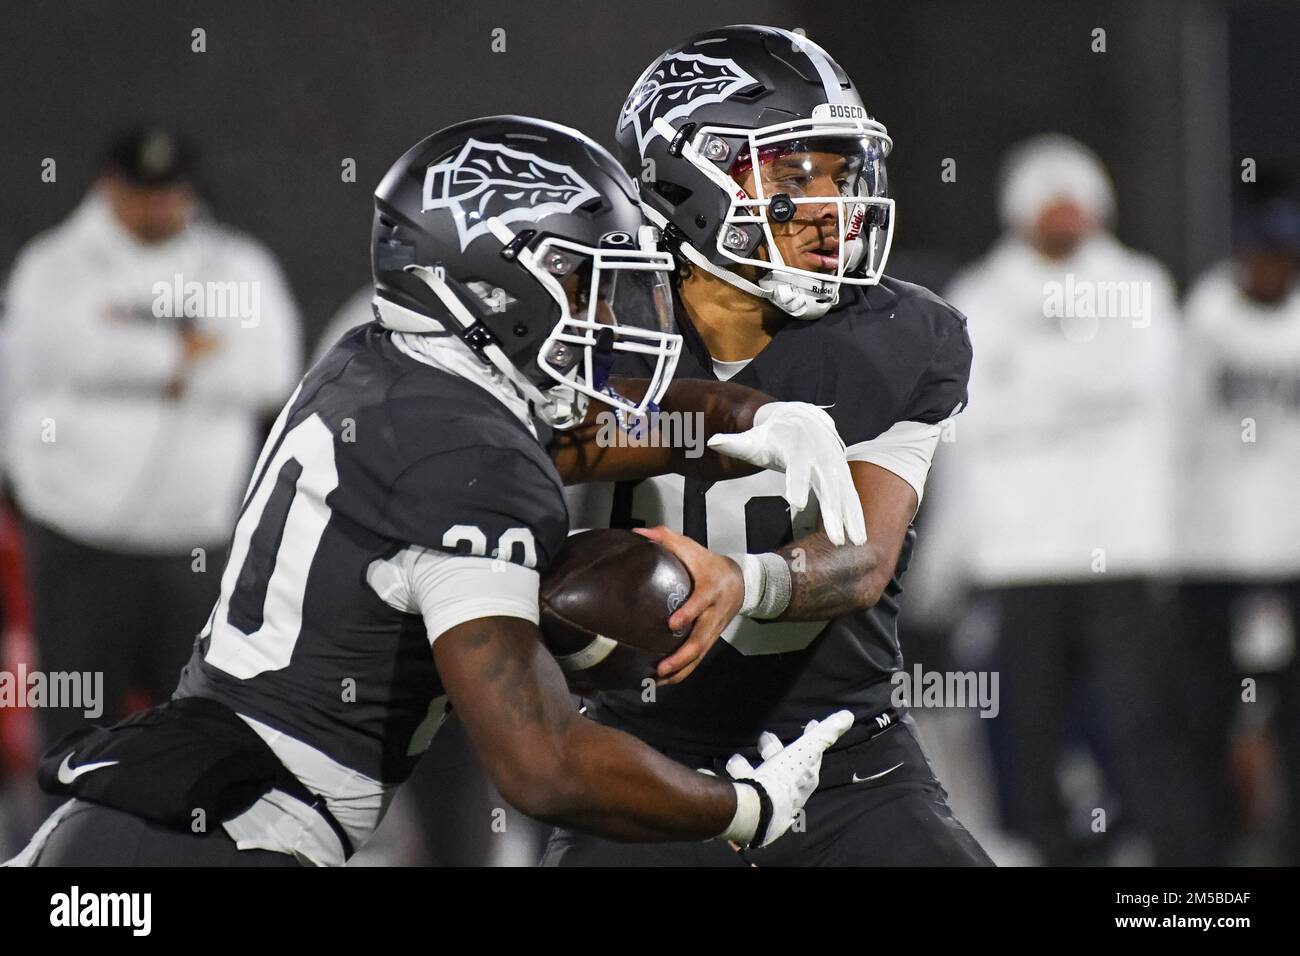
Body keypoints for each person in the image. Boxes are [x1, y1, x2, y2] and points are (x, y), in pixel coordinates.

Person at [6, 116, 864, 867]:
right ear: (493, 282)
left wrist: (749, 414)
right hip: (230, 834)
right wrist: (744, 807)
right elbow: (544, 768)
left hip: (161, 802)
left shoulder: (376, 360)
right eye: (581, 277)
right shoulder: (469, 458)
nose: (612, 311)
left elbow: (576, 438)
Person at [543, 25, 991, 866]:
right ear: (689, 179)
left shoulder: (899, 335)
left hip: (845, 763)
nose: (834, 209)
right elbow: (540, 450)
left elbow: (863, 560)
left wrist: (745, 581)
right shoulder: (599, 322)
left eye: (841, 175)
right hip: (647, 760)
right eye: (795, 175)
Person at [2, 128, 302, 749]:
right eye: (142, 193)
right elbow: (55, 353)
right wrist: (179, 360)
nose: (157, 208)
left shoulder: (235, 265)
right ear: (109, 187)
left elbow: (270, 371)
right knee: (76, 740)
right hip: (77, 544)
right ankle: (69, 848)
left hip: (197, 550)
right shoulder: (53, 267)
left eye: (170, 193)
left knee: (196, 738)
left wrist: (115, 362)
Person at [942, 134, 1181, 864]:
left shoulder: (1140, 284)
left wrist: (1030, 382)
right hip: (1019, 550)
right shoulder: (978, 296)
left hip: (1124, 543)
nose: (1063, 221)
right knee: (1025, 719)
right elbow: (971, 414)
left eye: (1074, 208)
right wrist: (1084, 387)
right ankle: (1032, 847)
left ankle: (1147, 853)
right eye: (1050, 209)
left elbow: (1146, 382)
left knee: (1135, 717)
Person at [1178, 194, 1300, 864]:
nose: (1274, 271)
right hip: (1214, 561)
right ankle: (1209, 855)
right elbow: (1170, 441)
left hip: (1292, 557)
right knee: (1206, 722)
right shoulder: (1202, 322)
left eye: (1286, 258)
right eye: (1264, 256)